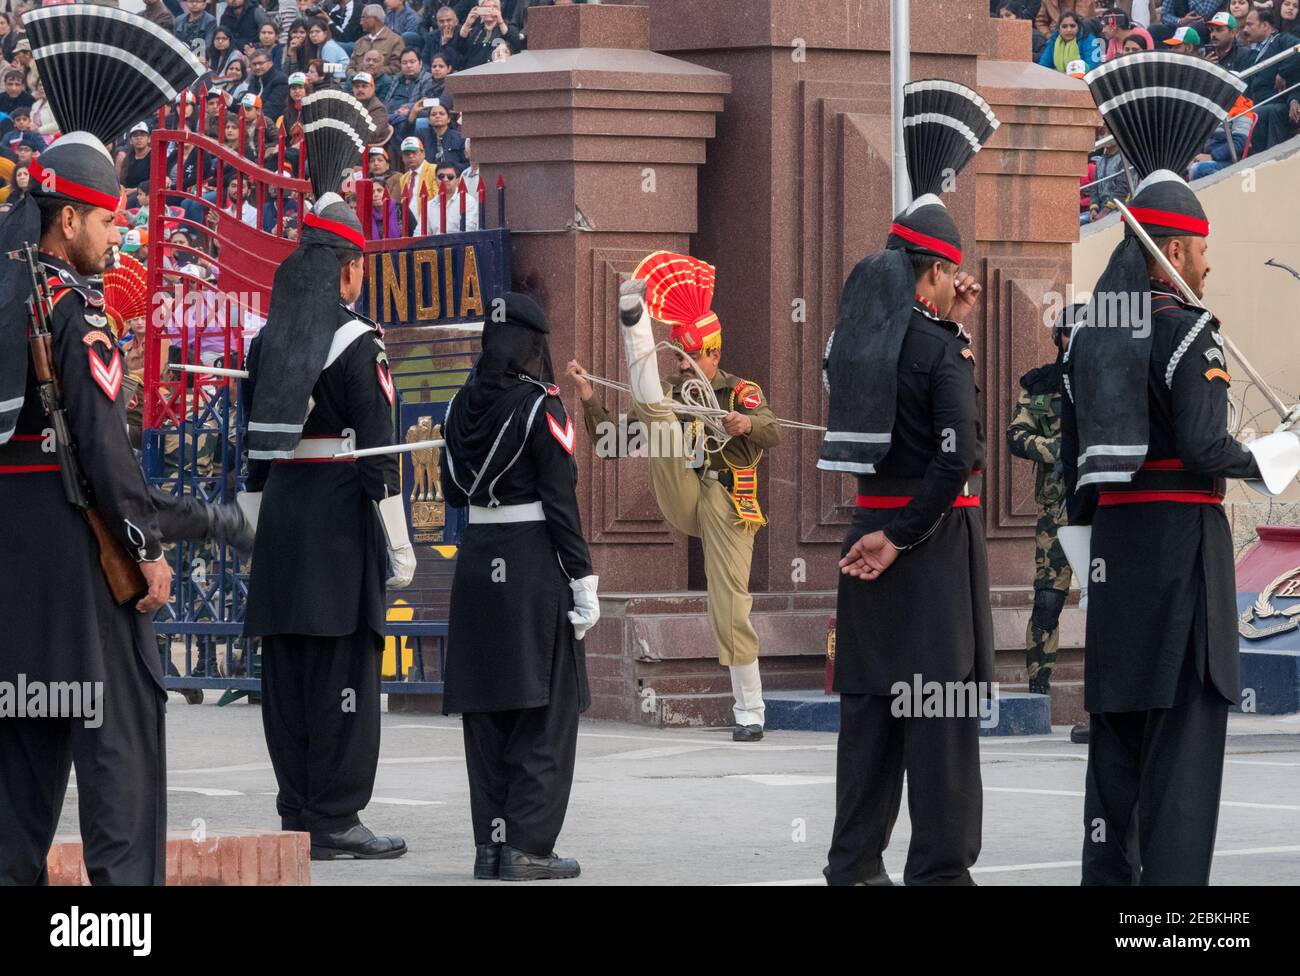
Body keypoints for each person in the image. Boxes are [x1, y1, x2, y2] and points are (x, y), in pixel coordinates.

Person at [1063, 54, 1300, 884]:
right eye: (1200, 251)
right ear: (1172, 248)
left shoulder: (1092, 333)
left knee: (1116, 773)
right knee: (1182, 770)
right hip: (1179, 571)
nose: (1208, 266)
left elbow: (1075, 466)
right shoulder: (1190, 332)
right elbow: (1205, 449)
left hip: (1116, 562)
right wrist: (1278, 454)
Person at [0, 3, 204, 886]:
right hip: (78, 553)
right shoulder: (73, 311)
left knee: (21, 756)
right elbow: (103, 448)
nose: (116, 234)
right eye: (108, 219)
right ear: (68, 220)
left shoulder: (6, 292)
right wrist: (147, 550)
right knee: (119, 746)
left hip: (11, 568)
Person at [819, 80, 998, 886]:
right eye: (949, 275)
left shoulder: (851, 342)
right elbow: (960, 458)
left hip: (866, 540)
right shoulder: (940, 349)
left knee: (870, 719)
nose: (957, 288)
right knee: (942, 720)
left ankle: (854, 866)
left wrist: (880, 534)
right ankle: (940, 871)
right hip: (926, 552)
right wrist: (902, 538)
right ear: (932, 272)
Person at [242, 90, 414, 861]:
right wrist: (399, 548)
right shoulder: (359, 343)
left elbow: (251, 455)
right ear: (346, 269)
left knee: (288, 682)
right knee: (345, 680)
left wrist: (253, 535)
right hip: (340, 525)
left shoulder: (263, 341)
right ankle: (337, 818)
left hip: (280, 523)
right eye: (357, 266)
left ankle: (297, 812)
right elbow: (379, 455)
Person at [570, 252, 780, 742]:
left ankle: (749, 709)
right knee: (657, 416)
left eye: (690, 358)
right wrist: (586, 397)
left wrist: (744, 423)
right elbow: (608, 443)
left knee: (729, 604)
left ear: (712, 353)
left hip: (729, 505)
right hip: (685, 495)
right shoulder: (671, 393)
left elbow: (772, 430)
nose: (683, 367)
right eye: (678, 358)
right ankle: (635, 326)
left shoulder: (740, 392)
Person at [441, 291, 597, 882]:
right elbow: (560, 501)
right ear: (535, 344)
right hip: (532, 566)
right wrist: (583, 579)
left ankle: (491, 846)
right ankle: (527, 847)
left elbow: (455, 493)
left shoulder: (459, 404)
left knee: (487, 711)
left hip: (476, 564)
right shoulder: (542, 407)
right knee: (543, 710)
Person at [1006, 308, 1084, 743]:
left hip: (1098, 509)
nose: (1074, 341)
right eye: (1068, 334)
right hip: (1056, 514)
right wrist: (1057, 448)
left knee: (1108, 608)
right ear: (1059, 338)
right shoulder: (1039, 385)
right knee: (1048, 603)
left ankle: (1103, 703)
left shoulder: (1107, 380)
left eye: (1081, 333)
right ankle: (1038, 692)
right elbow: (1017, 436)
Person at [453, 0, 522, 70]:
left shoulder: (507, 27)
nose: (489, 12)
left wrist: (500, 21)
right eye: (485, 8)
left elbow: (515, 43)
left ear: (499, 10)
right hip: (472, 73)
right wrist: (467, 24)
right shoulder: (476, 30)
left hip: (495, 73)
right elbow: (460, 48)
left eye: (493, 8)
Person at [385, 47, 433, 141]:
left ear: (420, 63)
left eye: (412, 62)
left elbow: (425, 103)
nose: (408, 65)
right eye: (404, 63)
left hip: (408, 117)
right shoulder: (397, 79)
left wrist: (408, 109)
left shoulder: (427, 79)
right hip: (390, 115)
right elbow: (387, 100)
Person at [349, 4, 404, 76]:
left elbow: (397, 68)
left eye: (363, 18)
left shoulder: (395, 41)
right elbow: (350, 68)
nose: (361, 22)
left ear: (375, 19)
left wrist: (375, 71)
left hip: (381, 83)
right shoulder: (360, 42)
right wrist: (357, 76)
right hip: (358, 83)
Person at [1040, 11, 1105, 71]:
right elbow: (1044, 65)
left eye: (1072, 26)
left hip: (1084, 80)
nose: (1069, 30)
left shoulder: (1089, 40)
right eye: (1064, 26)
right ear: (1059, 29)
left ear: (1078, 27)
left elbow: (1094, 67)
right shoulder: (1054, 40)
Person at [248, 50, 290, 122]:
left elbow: (273, 109)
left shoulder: (280, 79)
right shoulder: (254, 80)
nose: (257, 67)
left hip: (272, 124)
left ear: (270, 63)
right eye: (254, 64)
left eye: (260, 63)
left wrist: (253, 122)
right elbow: (247, 104)